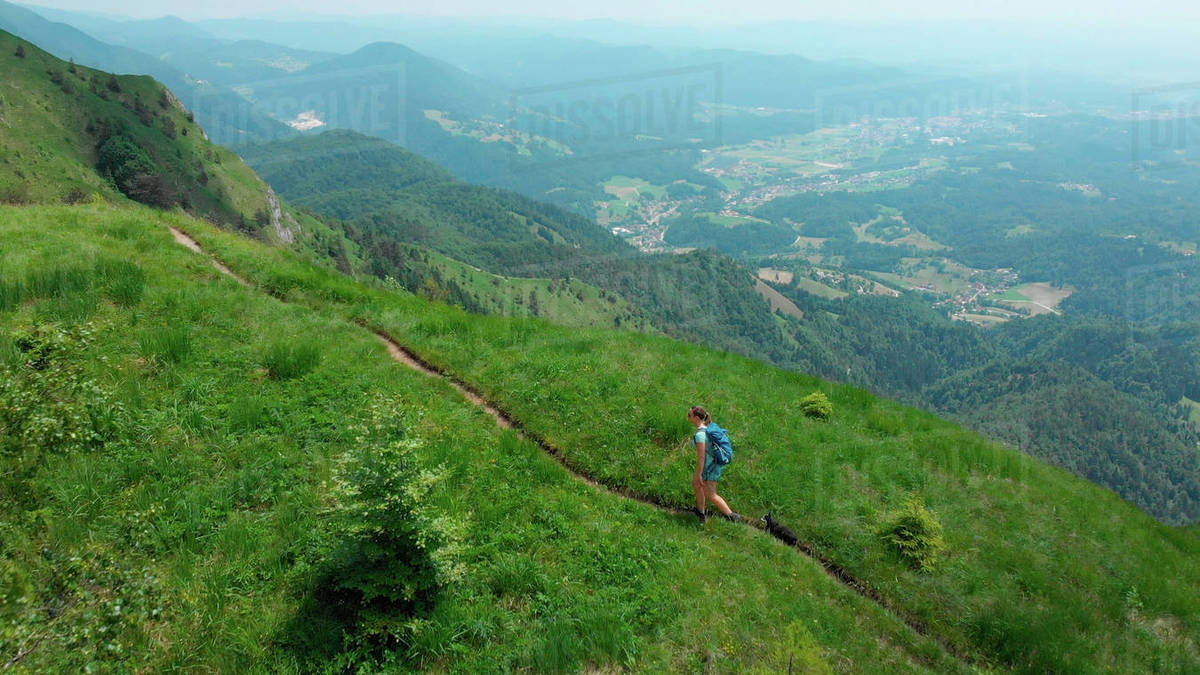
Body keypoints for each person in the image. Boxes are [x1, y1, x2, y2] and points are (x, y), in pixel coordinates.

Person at [687, 405, 741, 523]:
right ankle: (700, 512)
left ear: (696, 417)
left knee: (710, 494)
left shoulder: (700, 435)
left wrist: (699, 473)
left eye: (689, 415)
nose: (688, 417)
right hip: (713, 466)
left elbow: (702, 457)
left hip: (711, 468)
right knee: (696, 484)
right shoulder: (707, 429)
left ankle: (732, 516)